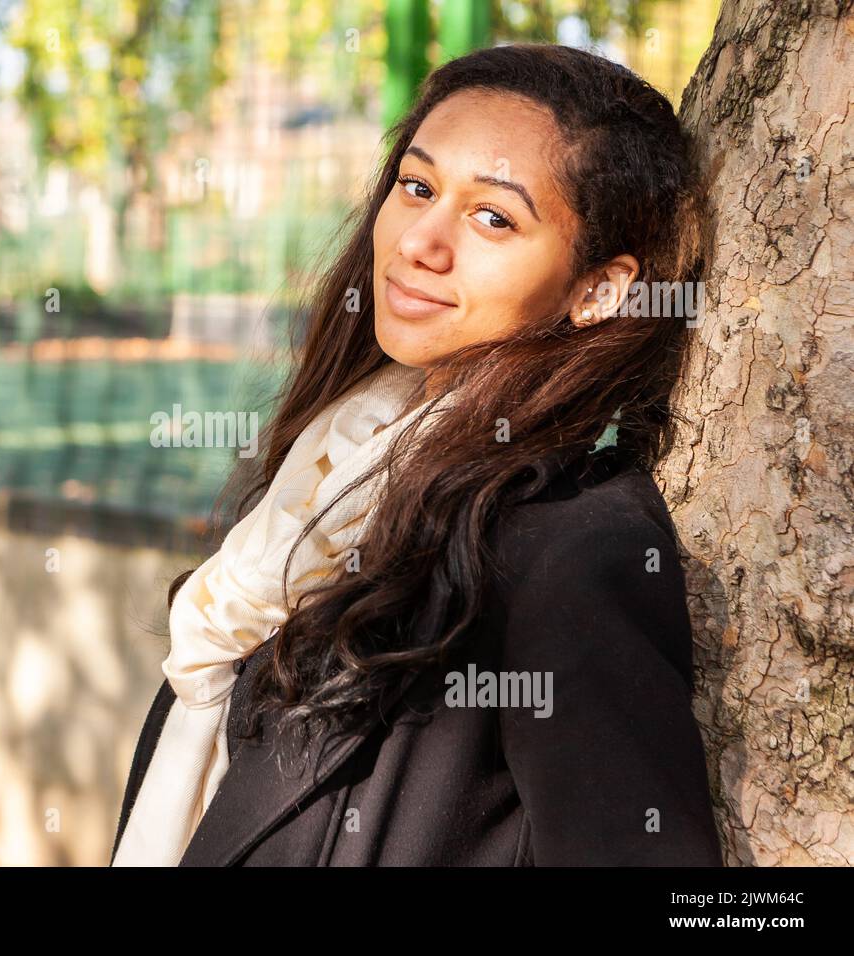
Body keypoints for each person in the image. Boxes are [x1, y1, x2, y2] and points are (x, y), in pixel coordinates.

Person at [111, 42, 723, 866]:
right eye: (419, 187)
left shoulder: (569, 550)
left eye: (493, 217)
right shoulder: (336, 461)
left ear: (598, 289)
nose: (420, 244)